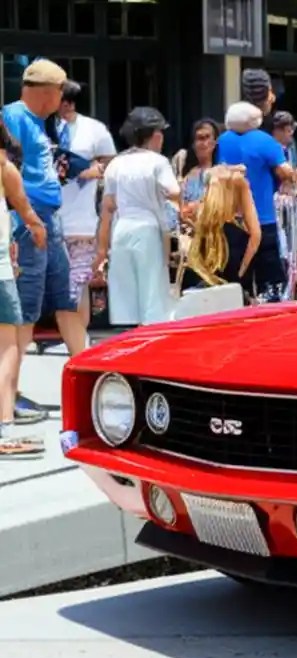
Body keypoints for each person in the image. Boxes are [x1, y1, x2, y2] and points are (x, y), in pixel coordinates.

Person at [3, 59, 74, 426]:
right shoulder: (14, 117)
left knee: (64, 297)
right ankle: (8, 393)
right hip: (31, 223)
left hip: (45, 220)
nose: (62, 100)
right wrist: (24, 220)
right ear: (49, 92)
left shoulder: (35, 122)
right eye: (61, 92)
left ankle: (85, 372)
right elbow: (7, 175)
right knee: (25, 308)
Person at [94, 107, 181, 326]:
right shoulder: (158, 162)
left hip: (121, 229)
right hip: (148, 228)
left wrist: (102, 249)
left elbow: (107, 206)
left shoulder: (116, 163)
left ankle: (128, 338)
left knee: (125, 293)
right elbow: (173, 192)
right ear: (156, 135)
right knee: (152, 291)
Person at [55, 79, 116, 342]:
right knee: (58, 289)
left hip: (81, 221)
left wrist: (95, 171)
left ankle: (81, 342)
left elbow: (110, 162)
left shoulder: (93, 129)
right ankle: (72, 341)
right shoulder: (41, 128)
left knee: (79, 286)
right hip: (50, 219)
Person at [216, 89, 291, 303]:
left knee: (237, 275)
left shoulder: (222, 141)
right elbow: (284, 171)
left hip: (231, 219)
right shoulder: (265, 141)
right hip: (262, 217)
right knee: (270, 278)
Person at [1, 121, 47, 457]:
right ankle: (4, 430)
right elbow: (25, 209)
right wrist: (36, 226)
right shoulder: (4, 167)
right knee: (7, 347)